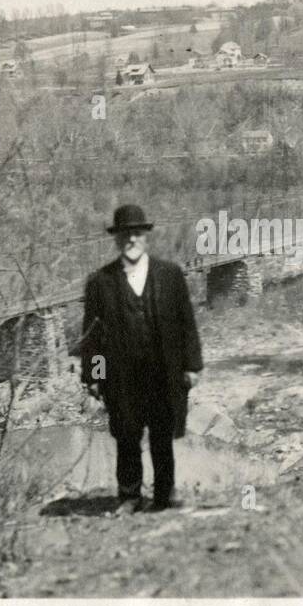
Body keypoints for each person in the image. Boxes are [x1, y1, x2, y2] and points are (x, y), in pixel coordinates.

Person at [80, 204, 203, 513]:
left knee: (162, 434)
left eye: (136, 233)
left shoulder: (170, 275)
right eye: (124, 234)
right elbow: (92, 336)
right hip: (122, 376)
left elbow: (187, 322)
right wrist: (95, 376)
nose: (131, 240)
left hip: (163, 372)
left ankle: (165, 494)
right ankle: (130, 496)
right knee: (126, 435)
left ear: (147, 236)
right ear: (116, 239)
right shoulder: (100, 282)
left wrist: (192, 366)